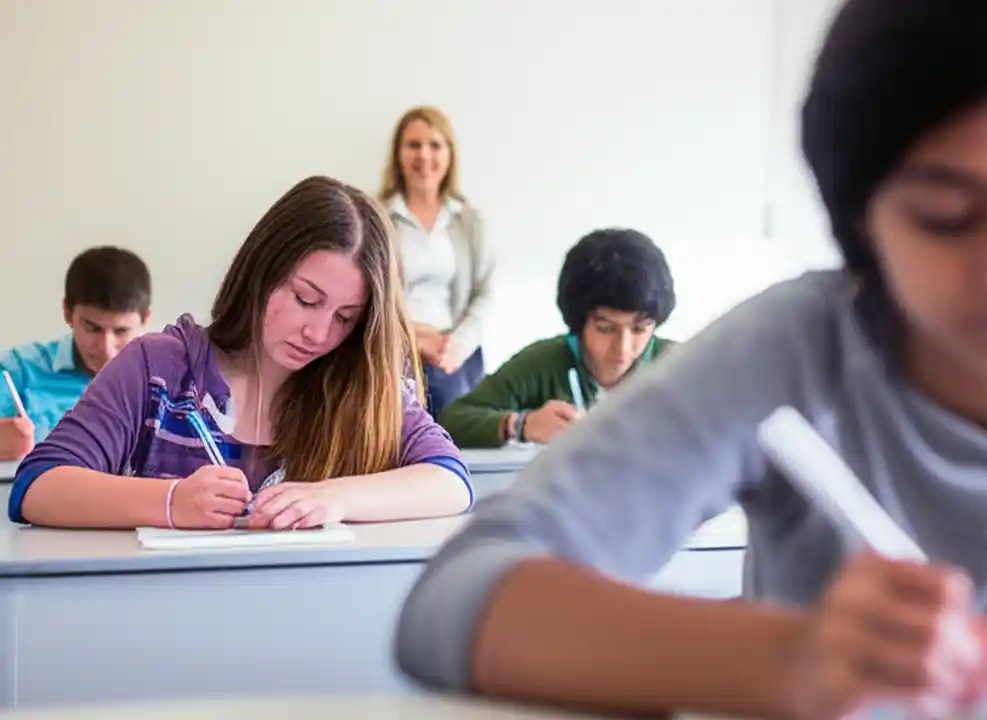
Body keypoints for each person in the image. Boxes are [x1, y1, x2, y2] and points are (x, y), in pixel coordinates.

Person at [394, 1, 987, 718]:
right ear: (862, 213)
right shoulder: (792, 351)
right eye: (945, 215)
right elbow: (457, 601)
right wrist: (787, 660)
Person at [10, 176, 472, 530]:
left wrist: (335, 499)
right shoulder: (159, 370)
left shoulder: (363, 385)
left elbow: (451, 480)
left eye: (346, 317)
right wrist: (170, 503)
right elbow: (37, 486)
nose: (318, 332)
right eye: (305, 300)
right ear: (261, 271)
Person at [439, 228, 677, 448]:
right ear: (578, 321)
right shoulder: (544, 363)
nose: (623, 349)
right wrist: (520, 424)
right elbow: (453, 421)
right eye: (605, 328)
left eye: (639, 328)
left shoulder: (680, 364)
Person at [380, 106, 495, 415]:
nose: (424, 156)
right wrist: (410, 335)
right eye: (413, 145)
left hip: (451, 351)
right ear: (398, 154)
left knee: (454, 422)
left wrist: (454, 345)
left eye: (435, 145)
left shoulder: (468, 221)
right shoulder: (377, 216)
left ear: (450, 154)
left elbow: (486, 293)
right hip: (392, 344)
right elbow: (366, 292)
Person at [0, 247, 151, 460]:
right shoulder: (20, 371)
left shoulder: (168, 380)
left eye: (121, 331)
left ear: (145, 319)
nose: (106, 348)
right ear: (68, 313)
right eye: (93, 328)